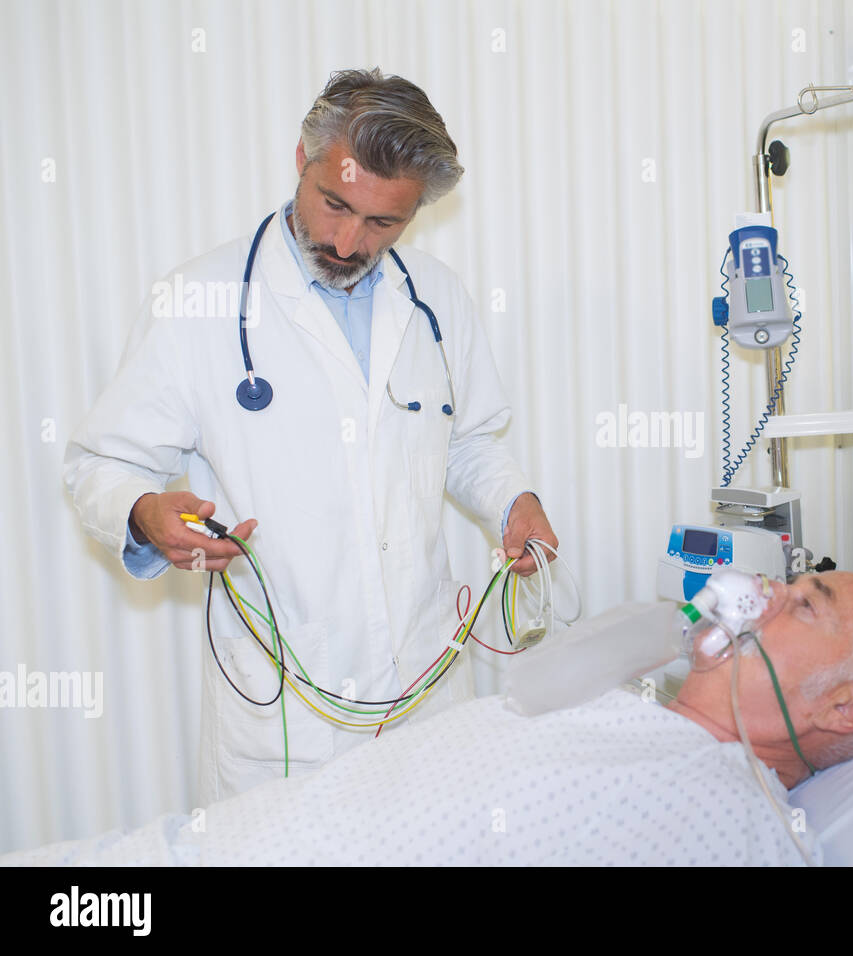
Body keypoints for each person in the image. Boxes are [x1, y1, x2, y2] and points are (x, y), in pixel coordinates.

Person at [63, 69, 557, 803]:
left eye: (384, 223)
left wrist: (515, 501)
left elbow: (469, 442)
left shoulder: (434, 299)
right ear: (302, 159)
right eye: (335, 204)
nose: (349, 241)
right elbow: (100, 462)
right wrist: (143, 512)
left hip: (423, 683)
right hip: (283, 705)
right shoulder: (198, 302)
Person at [2, 572, 853, 866]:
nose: (766, 593)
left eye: (806, 604)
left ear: (846, 705)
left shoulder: (734, 822)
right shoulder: (625, 708)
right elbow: (540, 680)